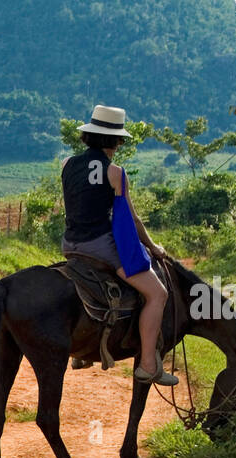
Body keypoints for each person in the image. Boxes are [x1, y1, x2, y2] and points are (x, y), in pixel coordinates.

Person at [60, 105, 177, 386]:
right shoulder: (115, 173)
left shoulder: (66, 164)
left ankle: (82, 352)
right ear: (116, 141)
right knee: (157, 294)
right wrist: (152, 246)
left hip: (69, 245)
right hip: (98, 245)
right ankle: (148, 364)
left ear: (89, 136)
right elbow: (133, 220)